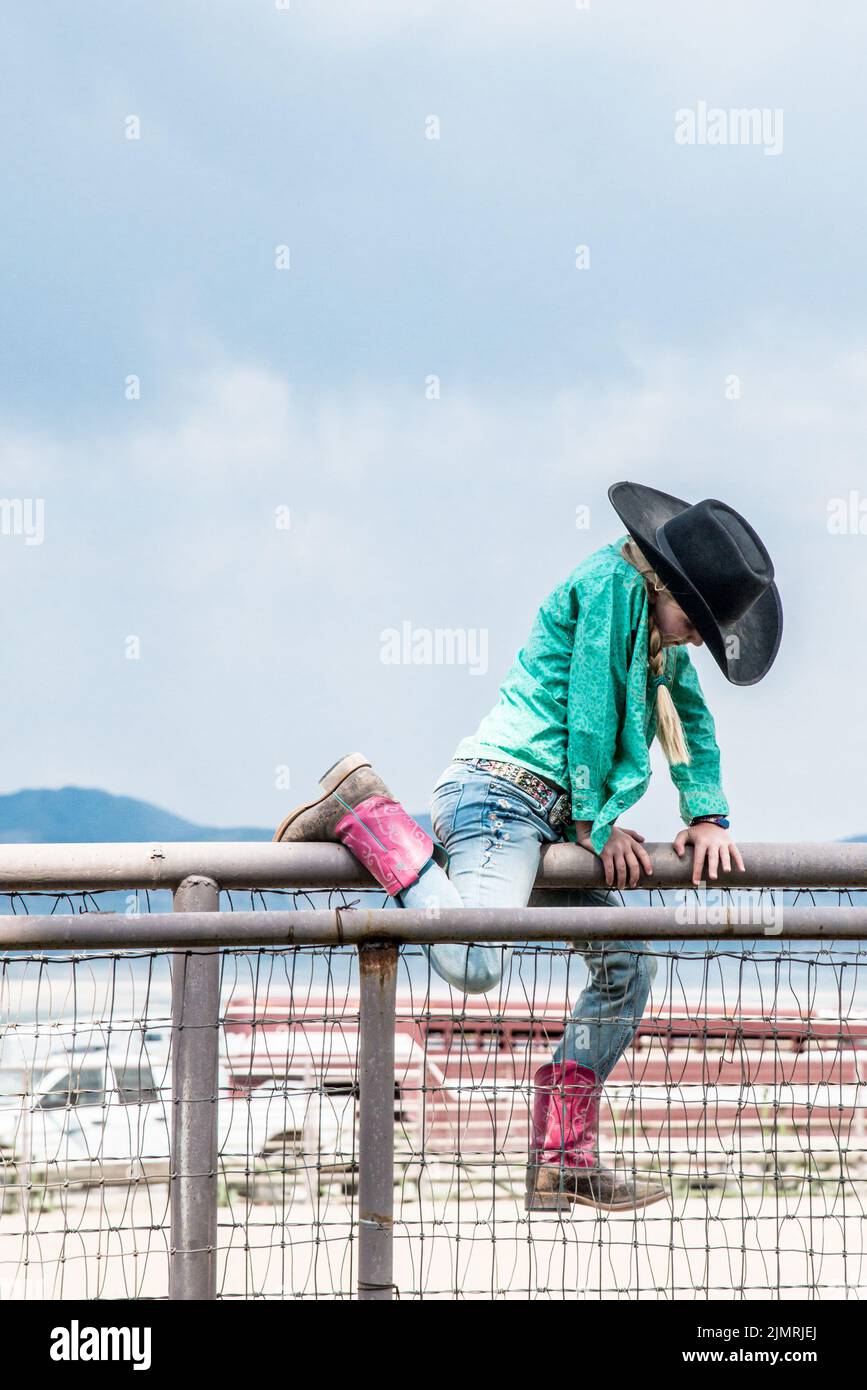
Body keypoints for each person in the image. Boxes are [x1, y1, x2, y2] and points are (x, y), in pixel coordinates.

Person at [273, 482, 783, 1214]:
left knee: (626, 968)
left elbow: (689, 719)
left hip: (550, 815)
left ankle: (562, 1158)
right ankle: (370, 815)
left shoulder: (655, 627)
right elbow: (589, 707)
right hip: (501, 799)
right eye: (694, 620)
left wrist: (708, 816)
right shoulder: (611, 585)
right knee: (476, 962)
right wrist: (594, 828)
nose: (697, 638)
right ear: (665, 582)